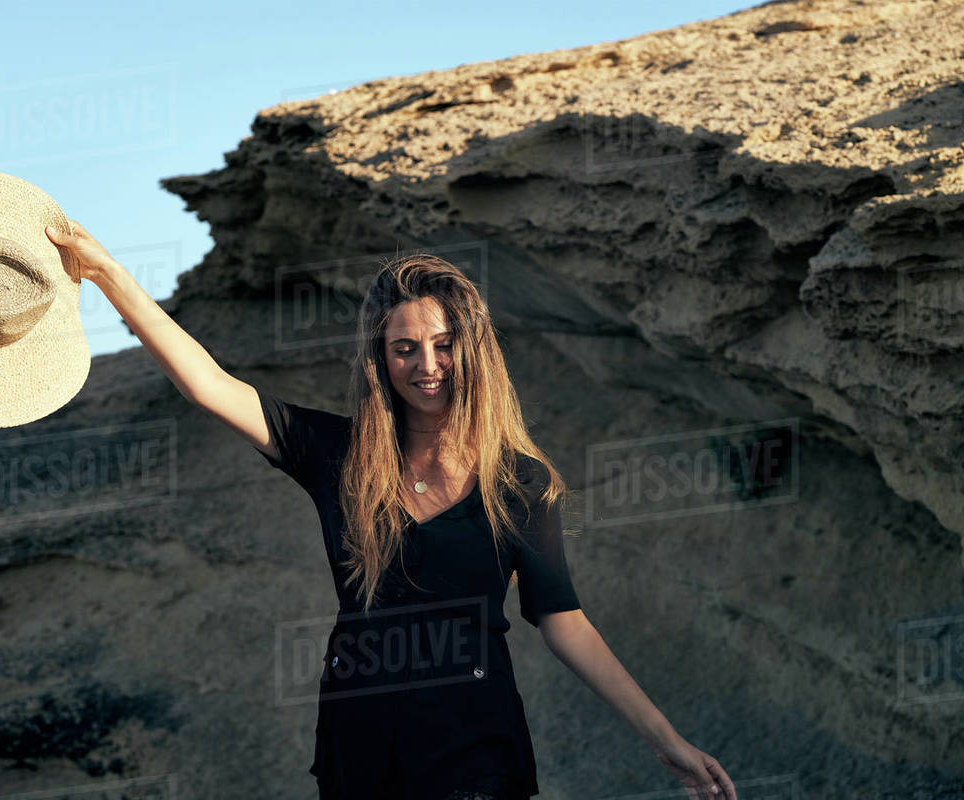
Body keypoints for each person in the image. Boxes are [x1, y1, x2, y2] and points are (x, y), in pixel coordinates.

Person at [45, 222, 739, 800]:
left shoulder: (518, 483)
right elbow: (206, 384)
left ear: (472, 349)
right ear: (382, 358)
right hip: (361, 751)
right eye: (405, 348)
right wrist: (109, 274)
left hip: (477, 754)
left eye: (442, 344)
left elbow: (565, 621)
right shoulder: (337, 455)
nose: (426, 364)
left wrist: (667, 741)